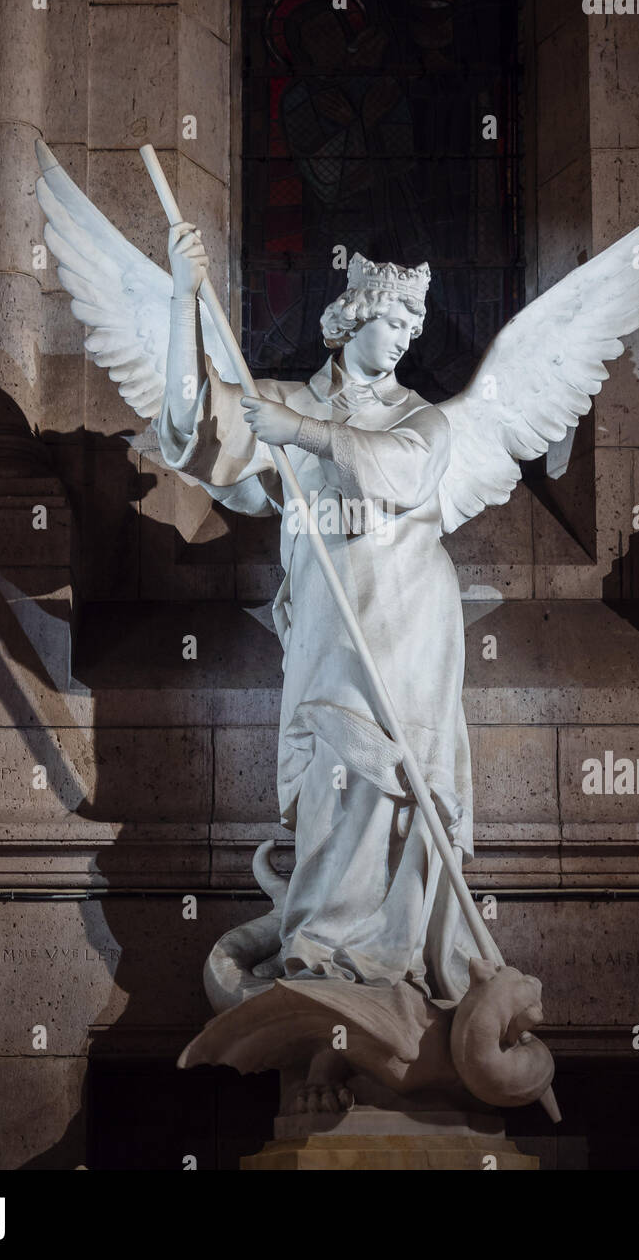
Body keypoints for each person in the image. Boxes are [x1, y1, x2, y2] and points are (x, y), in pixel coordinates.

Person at [157, 222, 478, 1003]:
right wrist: (181, 302)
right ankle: (326, 954)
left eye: (413, 326)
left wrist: (304, 433)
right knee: (342, 771)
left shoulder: (418, 420)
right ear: (352, 318)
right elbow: (186, 431)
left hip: (412, 622)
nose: (402, 338)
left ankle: (395, 960)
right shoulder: (278, 403)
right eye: (392, 320)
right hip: (331, 621)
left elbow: (403, 471)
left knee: (405, 784)